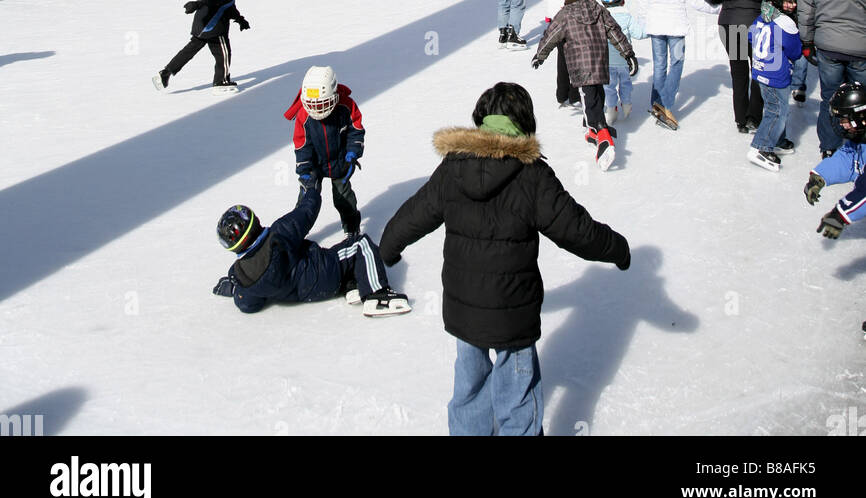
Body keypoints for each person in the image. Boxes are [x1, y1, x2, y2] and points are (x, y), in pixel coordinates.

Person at [378, 81, 630, 435]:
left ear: (481, 119)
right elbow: (577, 230)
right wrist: (617, 247)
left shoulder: (454, 167)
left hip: (464, 309)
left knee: (469, 387)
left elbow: (414, 214)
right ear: (525, 122)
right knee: (517, 396)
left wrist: (388, 247)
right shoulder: (532, 175)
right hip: (513, 314)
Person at [214, 192, 409, 317]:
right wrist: (311, 187)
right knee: (360, 245)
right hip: (323, 272)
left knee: (346, 260)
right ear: (254, 222)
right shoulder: (278, 235)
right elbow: (307, 211)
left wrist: (235, 289)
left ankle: (352, 286)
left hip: (302, 294)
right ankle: (377, 295)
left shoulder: (242, 275)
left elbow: (248, 305)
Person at [532, 0, 638, 169]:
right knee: (597, 94)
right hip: (599, 63)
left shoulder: (565, 14)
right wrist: (628, 54)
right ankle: (595, 129)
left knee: (588, 101)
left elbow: (551, 36)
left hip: (580, 67)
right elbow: (614, 31)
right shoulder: (598, 9)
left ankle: (601, 134)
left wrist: (540, 55)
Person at [797, 0, 866, 158]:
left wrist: (807, 41)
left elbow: (805, 13)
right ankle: (861, 145)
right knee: (862, 99)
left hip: (828, 47)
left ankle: (829, 145)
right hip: (860, 49)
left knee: (830, 97)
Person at [284, 65, 365, 236]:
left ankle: (351, 228)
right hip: (315, 165)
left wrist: (352, 153)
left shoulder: (346, 107)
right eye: (313, 105)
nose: (317, 110)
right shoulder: (304, 116)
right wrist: (304, 170)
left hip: (340, 161)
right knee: (306, 200)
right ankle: (296, 233)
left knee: (343, 198)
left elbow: (355, 131)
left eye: (322, 105)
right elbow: (301, 144)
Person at [703, 0, 773, 133]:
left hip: (730, 23)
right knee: (758, 70)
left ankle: (741, 118)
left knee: (739, 71)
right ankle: (754, 116)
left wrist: (722, 1)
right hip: (756, 24)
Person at [638, 0, 710, 131]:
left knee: (660, 65)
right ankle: (665, 104)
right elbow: (696, 2)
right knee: (676, 64)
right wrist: (719, 7)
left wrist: (643, 22)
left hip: (655, 26)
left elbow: (642, 2)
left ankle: (656, 102)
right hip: (675, 27)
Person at [153, 0, 249, 92]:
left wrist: (240, 19)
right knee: (223, 53)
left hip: (202, 22)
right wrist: (197, 4)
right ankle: (221, 82)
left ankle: (165, 73)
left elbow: (228, 5)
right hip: (213, 25)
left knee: (190, 50)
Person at [745, 0, 803, 171]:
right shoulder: (786, 22)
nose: (792, 5)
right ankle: (760, 147)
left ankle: (777, 140)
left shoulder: (764, 15)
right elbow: (795, 51)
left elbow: (751, 35)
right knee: (776, 110)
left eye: (794, 1)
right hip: (776, 74)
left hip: (761, 70)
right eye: (788, 1)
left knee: (776, 107)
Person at [802, 83, 866, 239]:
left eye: (844, 119)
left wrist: (841, 214)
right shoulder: (861, 136)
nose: (842, 125)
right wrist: (820, 177)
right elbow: (850, 159)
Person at [599, 0, 646, 126]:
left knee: (609, 86)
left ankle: (611, 109)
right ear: (622, 1)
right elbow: (640, 34)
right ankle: (626, 105)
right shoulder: (627, 18)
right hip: (625, 60)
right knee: (625, 83)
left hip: (607, 61)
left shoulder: (601, 19)